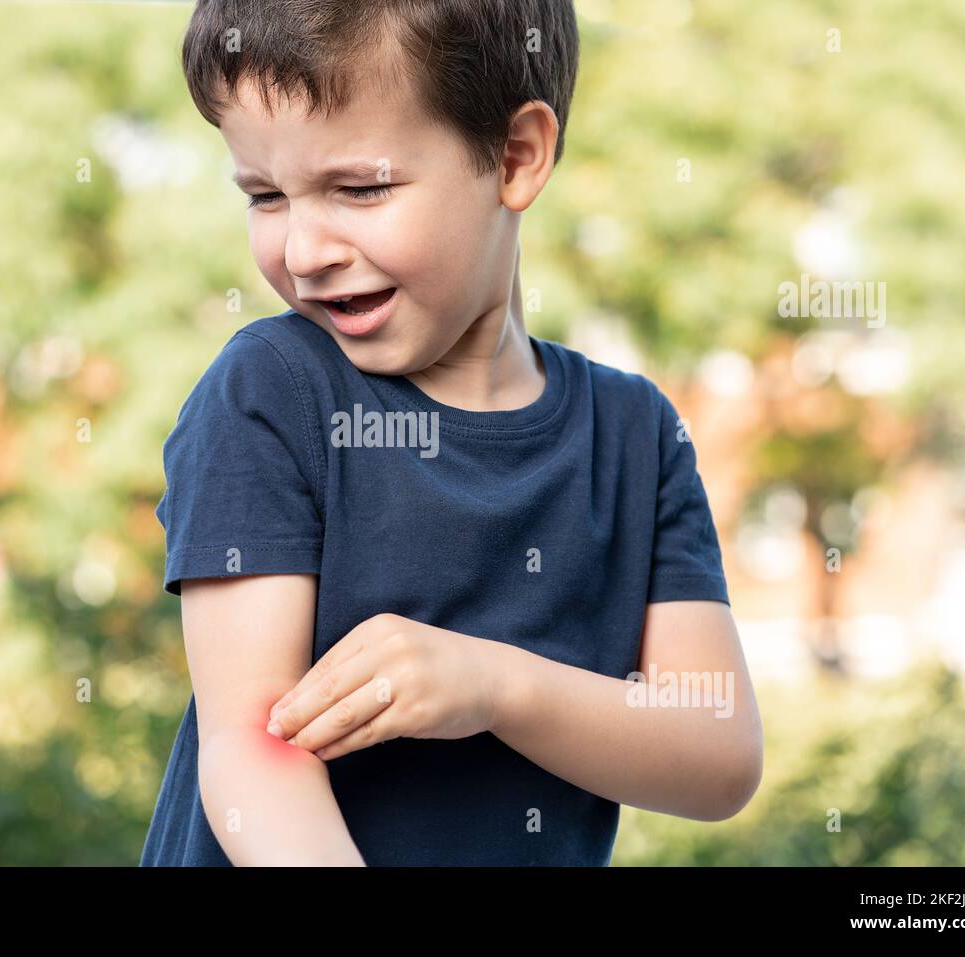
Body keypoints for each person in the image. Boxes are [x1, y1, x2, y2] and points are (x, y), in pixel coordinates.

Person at [140, 0, 763, 866]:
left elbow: (719, 753)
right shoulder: (271, 393)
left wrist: (493, 684)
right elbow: (251, 750)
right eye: (266, 196)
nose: (307, 247)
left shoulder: (637, 436)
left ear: (515, 157)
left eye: (359, 188)